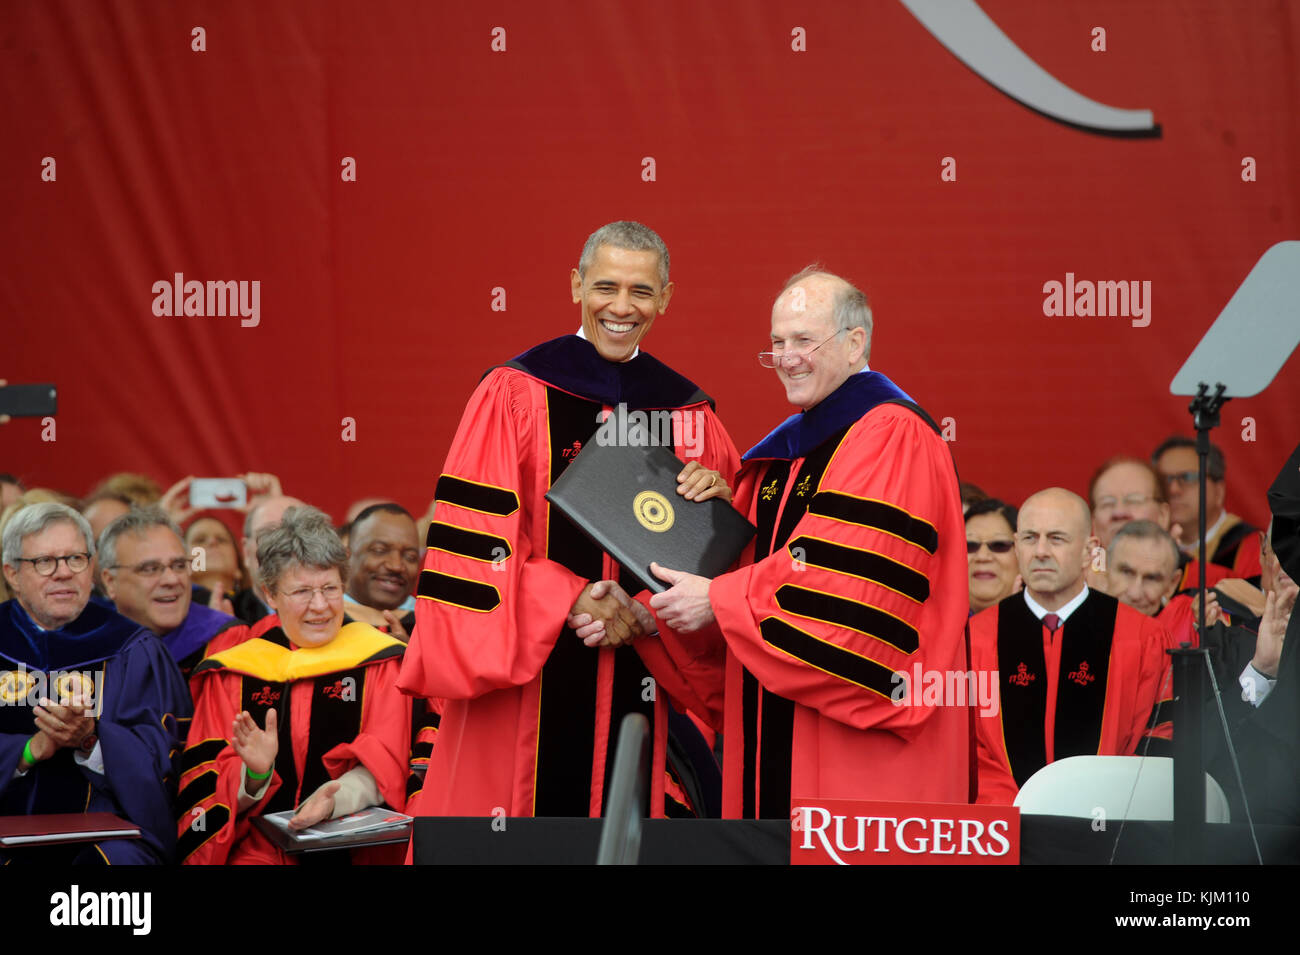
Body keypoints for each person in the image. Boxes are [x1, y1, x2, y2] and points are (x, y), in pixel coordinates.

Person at [397, 220, 740, 819]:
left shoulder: (688, 413)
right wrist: (571, 598)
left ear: (666, 297)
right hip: (524, 689)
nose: (622, 307)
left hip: (640, 680)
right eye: (606, 286)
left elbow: (719, 568)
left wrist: (718, 508)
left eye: (641, 291)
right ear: (577, 285)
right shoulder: (513, 392)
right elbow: (476, 544)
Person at [644, 267, 970, 816]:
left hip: (853, 753)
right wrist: (649, 606)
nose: (787, 357)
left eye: (803, 340)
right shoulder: (785, 455)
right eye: (777, 342)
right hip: (768, 739)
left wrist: (718, 601)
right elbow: (745, 570)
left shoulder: (892, 434)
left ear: (854, 343)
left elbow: (845, 590)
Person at [177, 506, 411, 864]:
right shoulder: (234, 671)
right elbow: (205, 785)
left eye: (330, 588)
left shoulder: (379, 659)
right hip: (258, 852)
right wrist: (254, 774)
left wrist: (337, 798)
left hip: (353, 850)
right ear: (270, 595)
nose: (320, 606)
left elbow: (388, 755)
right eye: (301, 591)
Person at [0, 502, 190, 863]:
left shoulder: (131, 648)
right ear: (12, 574)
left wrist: (91, 740)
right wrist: (28, 751)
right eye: (44, 561)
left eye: (76, 559)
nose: (63, 574)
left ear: (93, 569)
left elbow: (163, 763)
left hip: (102, 836)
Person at [969, 489, 1170, 805]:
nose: (1041, 551)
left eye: (1057, 539)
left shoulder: (1144, 638)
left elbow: (1158, 739)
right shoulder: (975, 638)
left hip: (1107, 831)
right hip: (1003, 833)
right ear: (1016, 545)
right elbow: (967, 750)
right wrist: (1016, 812)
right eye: (1030, 538)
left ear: (1090, 551)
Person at [98, 506, 240, 678]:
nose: (172, 580)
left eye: (179, 566)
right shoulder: (85, 647)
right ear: (110, 582)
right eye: (150, 569)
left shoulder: (227, 642)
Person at [1153, 435, 1262, 579]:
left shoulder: (1253, 548)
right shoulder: (1146, 545)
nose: (1173, 489)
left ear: (1219, 491)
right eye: (1163, 480)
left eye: (1188, 478)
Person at [343, 503, 419, 634]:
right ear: (347, 556)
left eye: (410, 557)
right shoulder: (318, 621)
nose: (396, 566)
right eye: (380, 550)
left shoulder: (430, 628)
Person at [966, 498, 1020, 614]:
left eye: (999, 545)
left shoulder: (1046, 626)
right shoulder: (930, 628)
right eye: (970, 545)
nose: (982, 557)